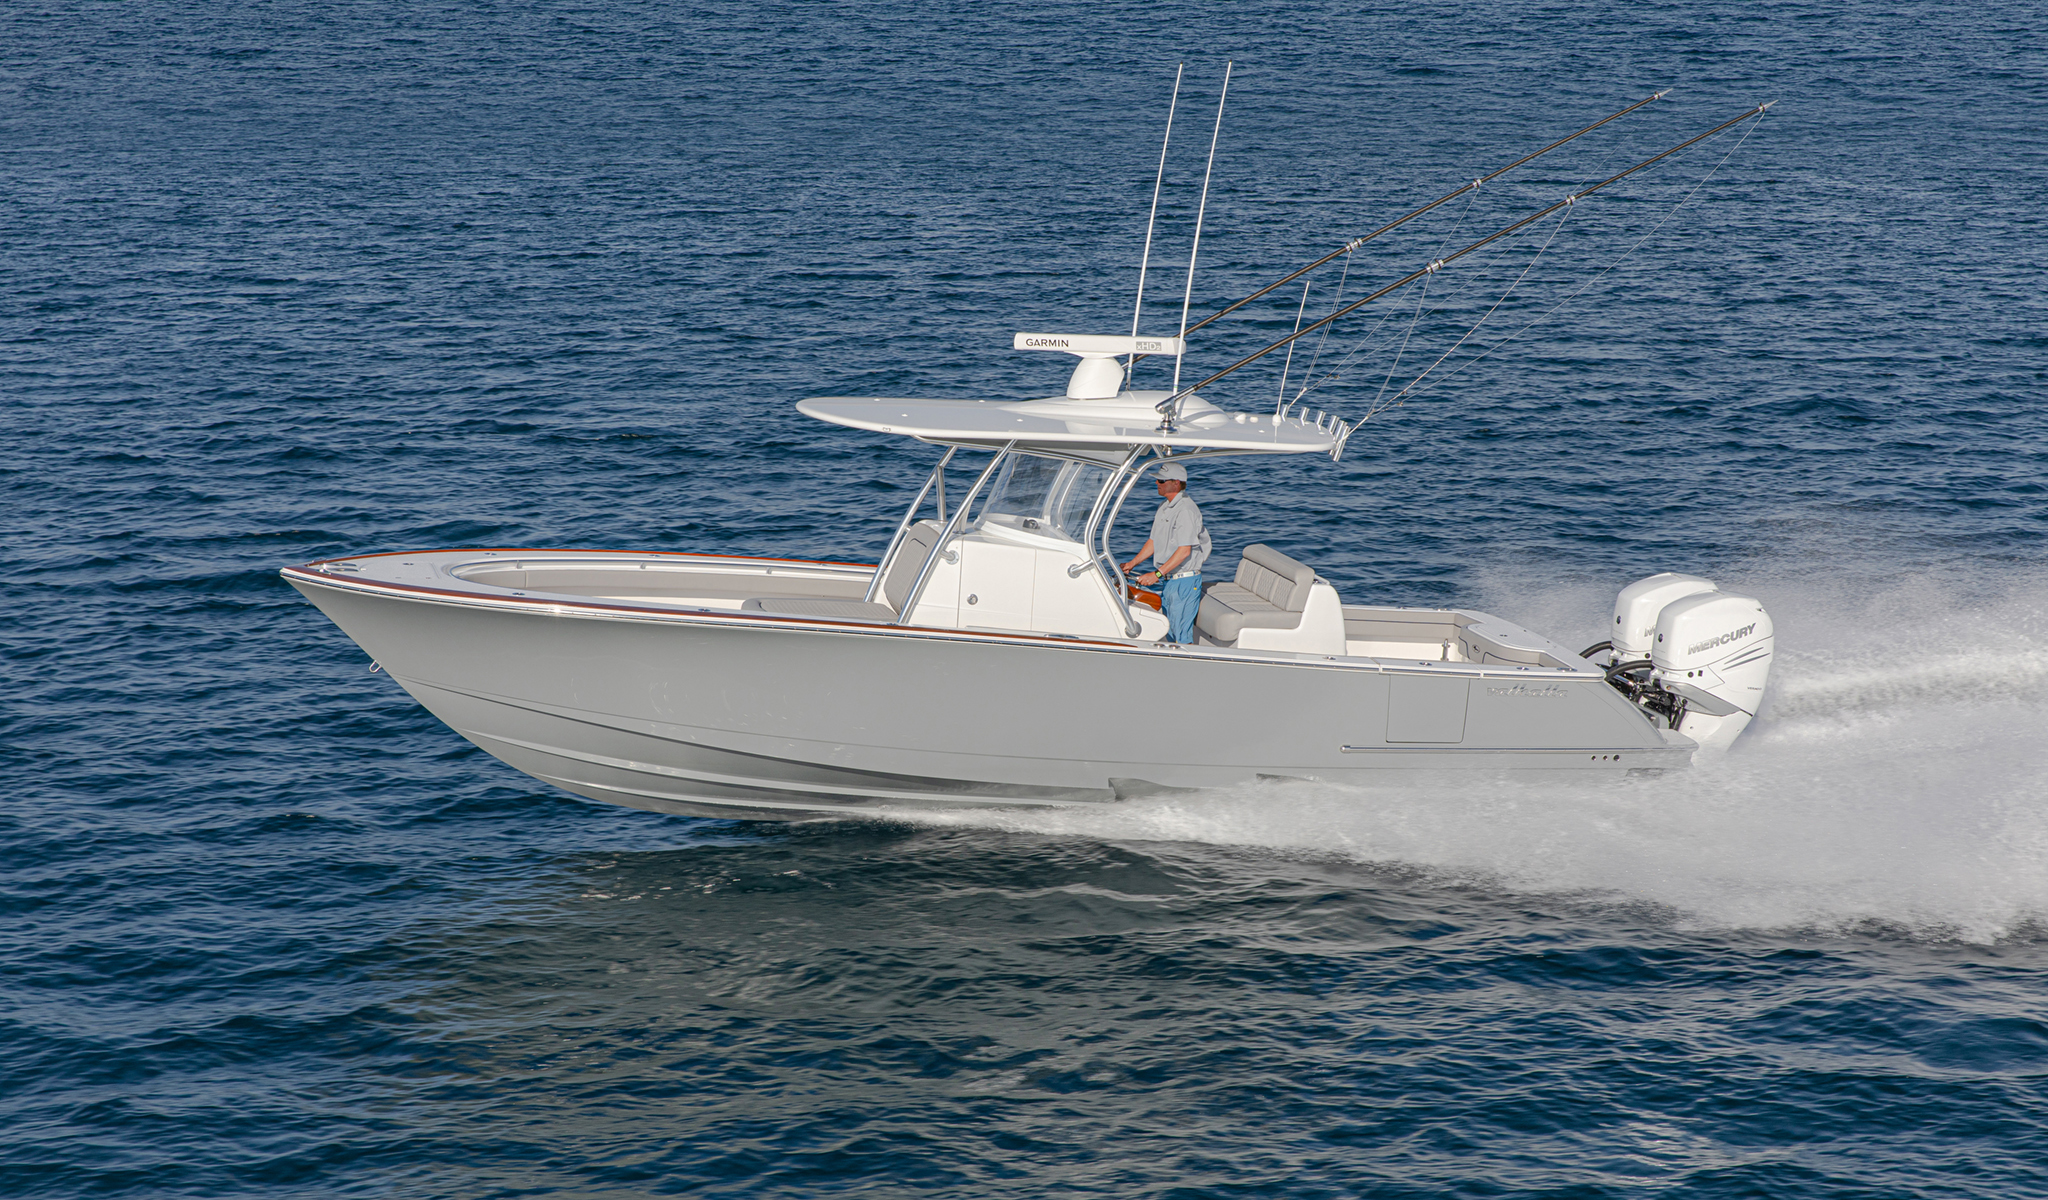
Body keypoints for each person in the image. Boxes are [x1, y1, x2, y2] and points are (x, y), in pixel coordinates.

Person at [1120, 461, 1210, 643]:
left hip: (1184, 580)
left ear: (1176, 483)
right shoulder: (1164, 507)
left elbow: (1184, 551)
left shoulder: (1186, 509)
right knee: (1169, 633)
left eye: (1161, 481)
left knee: (1180, 637)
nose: (1157, 483)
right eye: (1157, 480)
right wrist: (1132, 564)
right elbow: (1153, 542)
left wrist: (1156, 574)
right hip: (1169, 581)